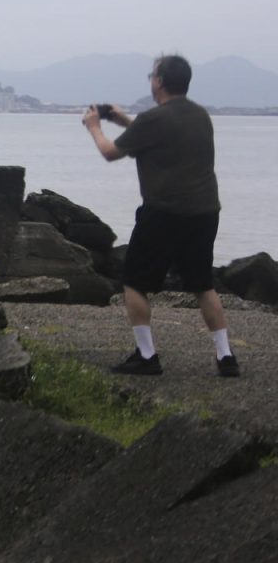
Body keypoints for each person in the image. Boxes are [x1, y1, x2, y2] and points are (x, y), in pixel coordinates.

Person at [81, 54, 238, 377]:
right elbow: (154, 138)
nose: (151, 80)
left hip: (164, 213)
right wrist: (123, 119)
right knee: (202, 284)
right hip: (205, 212)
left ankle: (147, 356)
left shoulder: (154, 120)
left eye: (152, 75)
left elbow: (111, 152)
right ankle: (226, 357)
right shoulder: (199, 116)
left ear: (160, 82)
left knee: (135, 282)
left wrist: (95, 127)